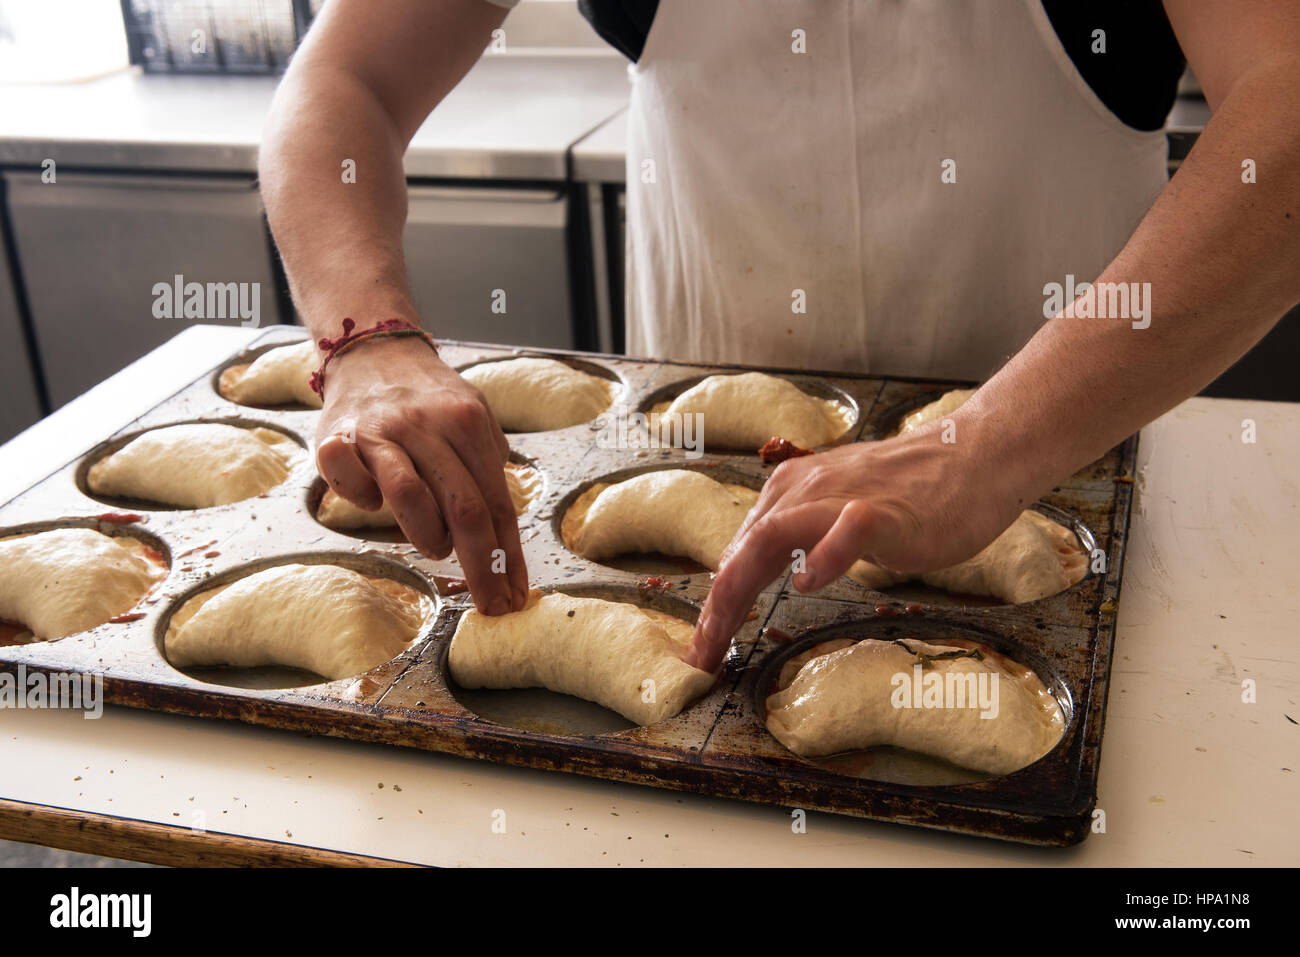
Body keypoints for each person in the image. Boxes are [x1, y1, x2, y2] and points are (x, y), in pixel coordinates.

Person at [259, 0, 1300, 673]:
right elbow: (345, 81)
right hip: (687, 498)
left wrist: (984, 446)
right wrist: (368, 337)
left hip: (1056, 493)